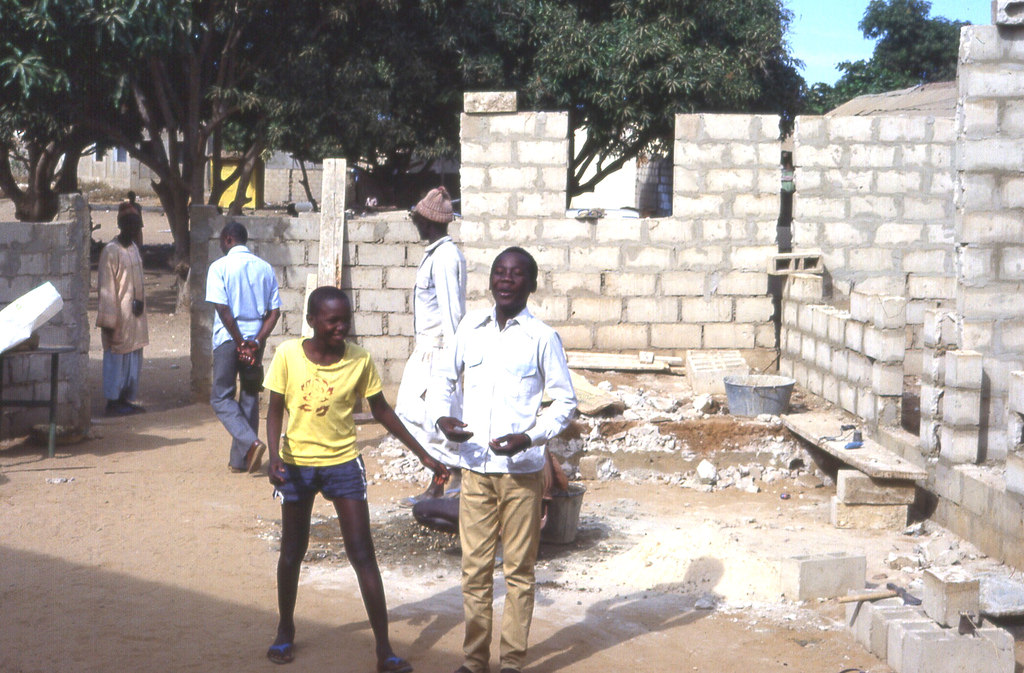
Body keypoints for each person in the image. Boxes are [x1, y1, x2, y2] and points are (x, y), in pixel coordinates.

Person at [263, 286, 449, 670]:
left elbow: (382, 411)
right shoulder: (287, 355)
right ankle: (285, 629)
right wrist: (274, 456)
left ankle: (384, 650)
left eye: (345, 319)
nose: (340, 327)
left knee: (363, 555)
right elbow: (274, 409)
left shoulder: (360, 360)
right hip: (296, 465)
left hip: (343, 464)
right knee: (292, 552)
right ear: (312, 321)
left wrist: (424, 455)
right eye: (332, 320)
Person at [430, 247, 577, 673]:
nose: (506, 280)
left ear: (531, 285)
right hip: (475, 468)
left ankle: (511, 662)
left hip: (522, 473)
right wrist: (444, 417)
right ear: (490, 281)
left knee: (519, 572)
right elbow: (442, 379)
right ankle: (474, 662)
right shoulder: (469, 329)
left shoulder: (542, 337)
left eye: (516, 274)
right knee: (474, 571)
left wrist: (529, 437)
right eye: (499, 272)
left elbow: (564, 403)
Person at [395, 186, 467, 503]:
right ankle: (443, 478)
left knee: (429, 417)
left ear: (428, 222)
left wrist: (456, 361)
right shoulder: (436, 254)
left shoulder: (446, 258)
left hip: (439, 352)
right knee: (413, 415)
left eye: (418, 221)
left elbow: (454, 314)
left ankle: (447, 479)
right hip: (424, 349)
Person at [206, 222, 281, 473]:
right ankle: (240, 461)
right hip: (255, 341)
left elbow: (223, 309)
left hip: (229, 340)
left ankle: (251, 443)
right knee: (249, 396)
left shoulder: (219, 267)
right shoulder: (265, 268)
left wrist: (239, 342)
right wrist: (255, 342)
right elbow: (274, 312)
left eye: (220, 241)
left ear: (228, 240)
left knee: (221, 397)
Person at [96, 203, 148, 416]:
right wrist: (109, 322)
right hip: (119, 319)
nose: (133, 228)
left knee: (133, 357)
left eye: (136, 224)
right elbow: (106, 288)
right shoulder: (110, 251)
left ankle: (126, 398)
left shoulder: (134, 249)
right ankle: (113, 401)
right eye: (129, 224)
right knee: (117, 358)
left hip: (135, 318)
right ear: (120, 225)